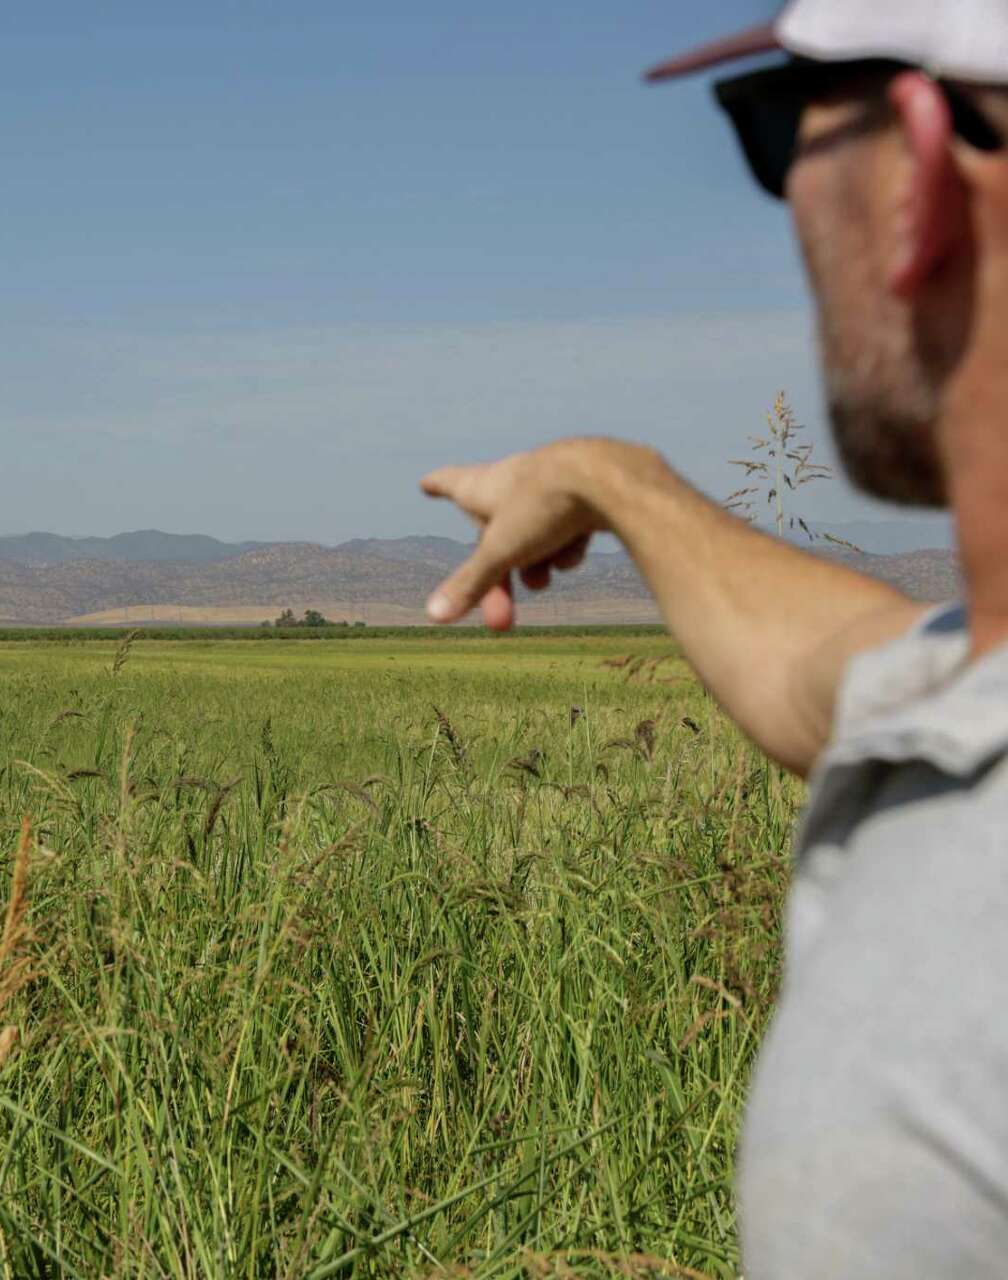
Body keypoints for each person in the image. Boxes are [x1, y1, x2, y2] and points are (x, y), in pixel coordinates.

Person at [418, 2, 1008, 1275]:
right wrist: (613, 482)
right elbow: (853, 673)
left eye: (772, 126)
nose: (779, 199)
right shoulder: (974, 710)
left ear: (919, 167)